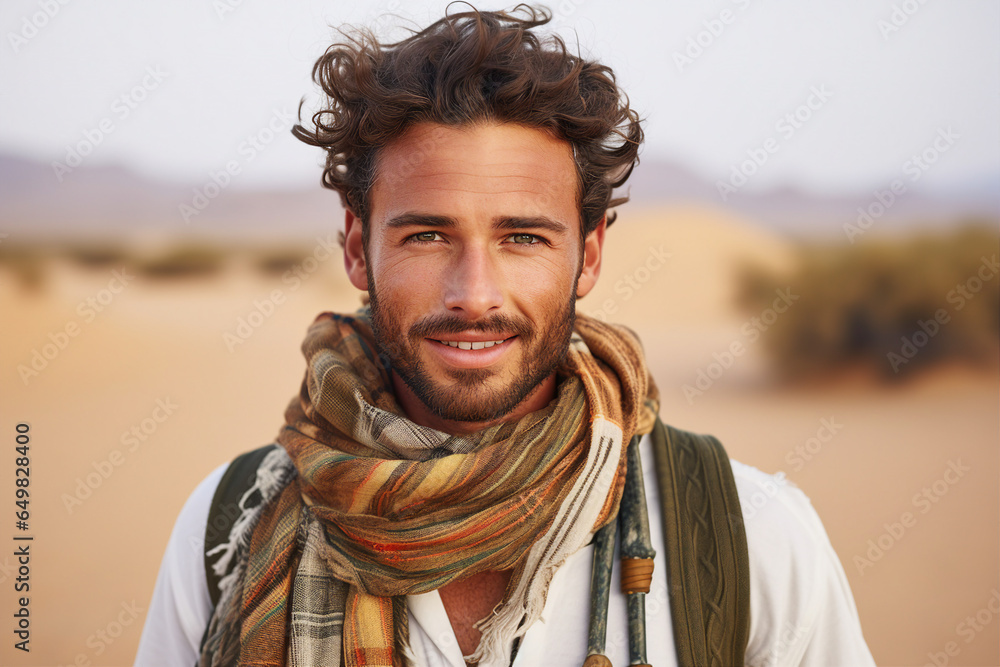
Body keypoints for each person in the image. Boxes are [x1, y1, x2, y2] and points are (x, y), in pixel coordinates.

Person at [135, 6, 875, 666]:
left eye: (522, 237)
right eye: (427, 235)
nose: (474, 295)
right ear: (358, 247)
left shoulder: (752, 535)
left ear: (588, 255)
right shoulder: (227, 524)